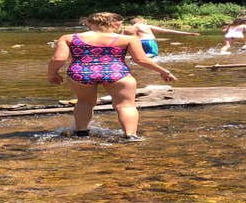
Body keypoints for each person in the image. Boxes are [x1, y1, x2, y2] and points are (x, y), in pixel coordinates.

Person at [47, 12, 176, 141]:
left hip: (82, 72)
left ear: (89, 23)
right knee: (126, 105)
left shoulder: (69, 38)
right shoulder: (127, 39)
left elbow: (58, 59)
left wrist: (52, 74)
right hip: (116, 72)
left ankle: (81, 133)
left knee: (85, 103)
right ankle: (130, 135)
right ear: (116, 24)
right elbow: (141, 60)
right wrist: (164, 72)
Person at [125, 17, 200, 57]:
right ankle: (138, 59)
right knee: (153, 54)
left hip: (139, 42)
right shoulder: (146, 26)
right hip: (149, 41)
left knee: (144, 54)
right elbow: (165, 30)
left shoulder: (130, 27)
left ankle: (136, 59)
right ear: (141, 21)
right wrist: (188, 33)